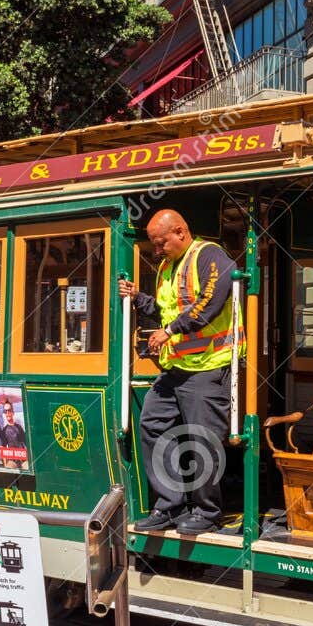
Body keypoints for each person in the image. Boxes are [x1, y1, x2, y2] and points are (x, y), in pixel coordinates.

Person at [118, 209, 240, 535]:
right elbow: (166, 308)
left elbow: (210, 301)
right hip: (177, 368)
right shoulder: (168, 267)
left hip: (208, 367)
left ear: (181, 233)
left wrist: (170, 331)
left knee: (203, 439)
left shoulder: (209, 255)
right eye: (154, 245)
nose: (157, 251)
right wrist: (139, 298)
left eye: (161, 244)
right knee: (151, 423)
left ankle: (207, 512)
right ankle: (169, 505)